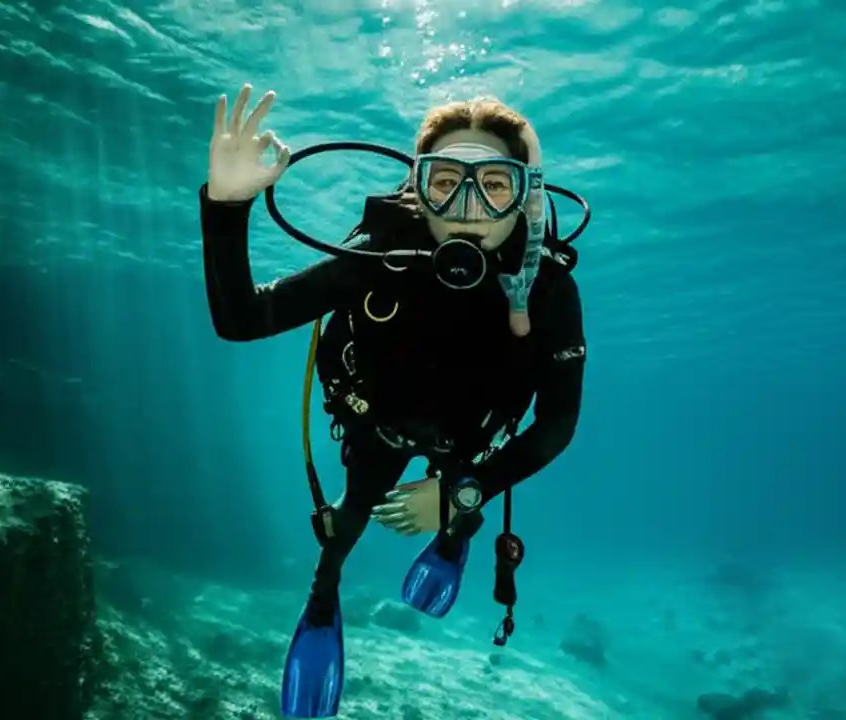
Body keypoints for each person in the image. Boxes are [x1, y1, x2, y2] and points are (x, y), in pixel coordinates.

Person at [198, 83, 588, 717]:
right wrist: (225, 205)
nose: (466, 206)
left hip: (469, 445)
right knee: (346, 523)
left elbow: (557, 423)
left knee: (458, 503)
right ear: (416, 188)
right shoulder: (378, 259)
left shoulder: (546, 291)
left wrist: (465, 491)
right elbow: (243, 319)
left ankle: (456, 532)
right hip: (379, 428)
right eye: (443, 182)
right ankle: (324, 599)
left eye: (494, 183)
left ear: (528, 197)